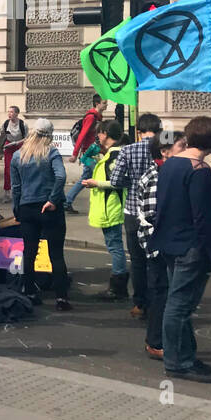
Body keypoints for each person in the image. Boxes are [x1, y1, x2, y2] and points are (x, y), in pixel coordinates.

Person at [148, 116, 211, 382]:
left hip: (168, 241)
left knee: (181, 304)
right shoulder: (198, 170)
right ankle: (177, 362)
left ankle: (186, 355)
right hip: (191, 246)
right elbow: (204, 219)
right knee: (179, 305)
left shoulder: (171, 164)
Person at [10, 118, 72, 310]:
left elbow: (16, 187)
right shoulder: (51, 152)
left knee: (29, 253)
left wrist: (16, 209)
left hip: (27, 207)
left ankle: (30, 292)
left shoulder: (18, 155)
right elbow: (61, 176)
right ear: (49, 135)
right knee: (56, 254)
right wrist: (53, 199)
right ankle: (61, 299)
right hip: (48, 208)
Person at [137, 133, 186, 361]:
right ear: (165, 152)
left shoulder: (167, 172)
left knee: (168, 292)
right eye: (181, 146)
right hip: (158, 245)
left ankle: (167, 341)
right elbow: (152, 215)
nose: (185, 150)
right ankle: (155, 342)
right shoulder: (157, 176)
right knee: (162, 292)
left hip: (165, 243)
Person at [110, 113, 162, 318]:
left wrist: (131, 184)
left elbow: (115, 180)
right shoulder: (163, 148)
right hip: (158, 210)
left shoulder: (128, 150)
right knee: (157, 260)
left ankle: (140, 303)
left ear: (138, 131)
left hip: (133, 211)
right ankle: (158, 300)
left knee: (138, 260)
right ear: (159, 130)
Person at [82, 119, 127, 301]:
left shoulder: (116, 157)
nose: (97, 137)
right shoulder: (110, 155)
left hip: (111, 209)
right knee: (113, 245)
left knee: (115, 246)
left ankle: (118, 287)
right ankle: (118, 285)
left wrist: (96, 183)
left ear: (106, 134)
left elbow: (119, 182)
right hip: (109, 208)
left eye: (99, 133)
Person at [64, 95, 105, 212]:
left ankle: (67, 200)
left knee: (86, 178)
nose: (106, 105)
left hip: (92, 151)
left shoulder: (97, 117)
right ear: (97, 104)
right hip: (89, 153)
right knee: (97, 177)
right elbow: (82, 135)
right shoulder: (91, 117)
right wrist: (75, 153)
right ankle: (68, 201)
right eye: (104, 103)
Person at [0, 106, 27, 198]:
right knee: (7, 169)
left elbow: (27, 138)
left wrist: (16, 143)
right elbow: (2, 134)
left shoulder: (22, 124)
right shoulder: (6, 123)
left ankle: (20, 190)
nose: (9, 114)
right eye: (8, 112)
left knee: (20, 168)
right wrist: (2, 146)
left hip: (19, 146)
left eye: (11, 112)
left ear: (16, 113)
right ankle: (7, 192)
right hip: (8, 146)